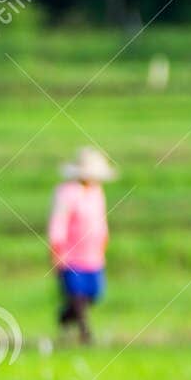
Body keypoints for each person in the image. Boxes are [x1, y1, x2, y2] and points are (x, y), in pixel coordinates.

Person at [47, 146, 117, 344]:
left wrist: (104, 241)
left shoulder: (97, 193)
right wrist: (56, 250)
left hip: (93, 255)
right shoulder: (66, 193)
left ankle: (65, 316)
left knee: (93, 294)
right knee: (77, 296)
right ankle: (86, 334)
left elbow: (101, 221)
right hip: (71, 255)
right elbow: (58, 223)